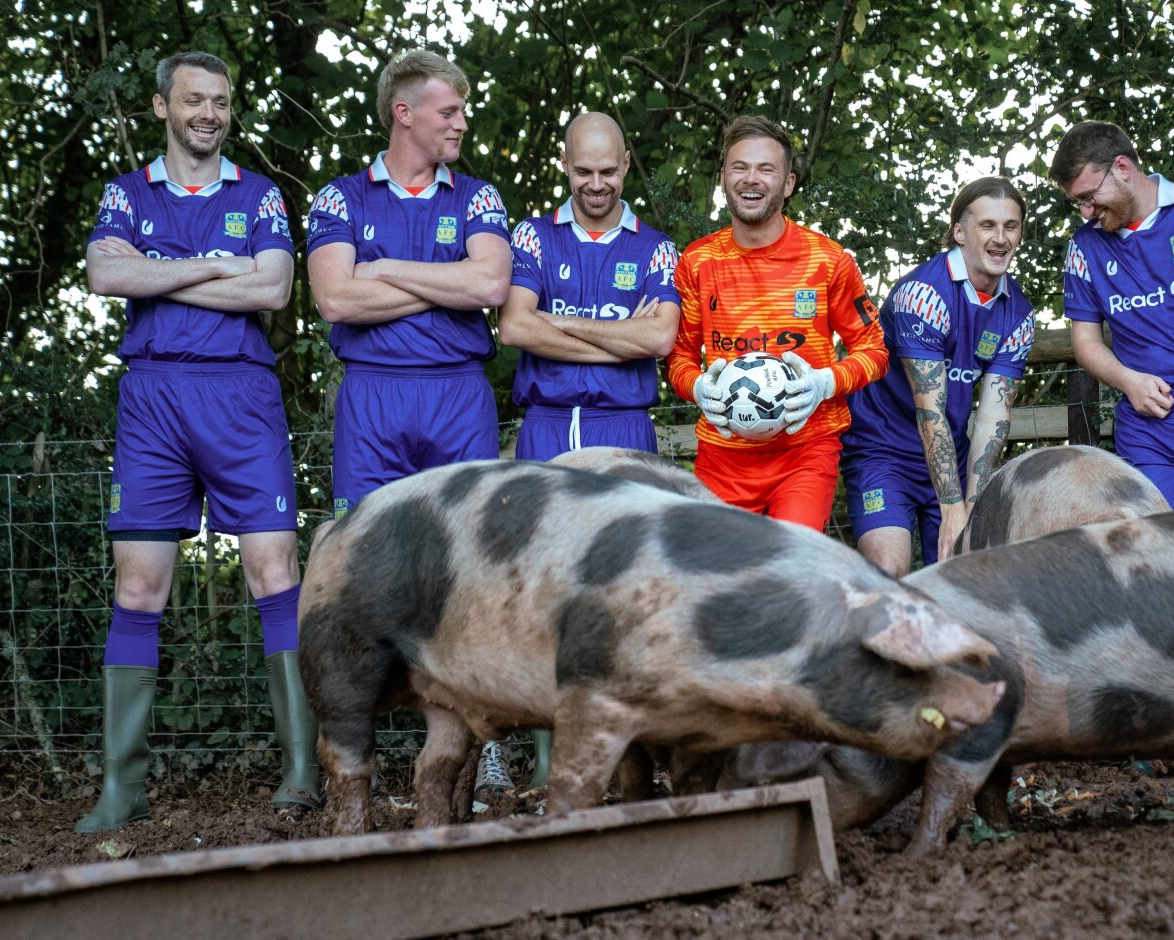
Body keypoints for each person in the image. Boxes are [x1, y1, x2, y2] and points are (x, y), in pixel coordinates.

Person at [81, 51, 315, 830]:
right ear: (161, 107)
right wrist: (214, 267)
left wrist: (157, 268)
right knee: (138, 588)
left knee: (274, 572)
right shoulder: (126, 193)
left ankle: (300, 769)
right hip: (151, 399)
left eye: (219, 101)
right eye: (193, 100)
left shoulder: (260, 194)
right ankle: (122, 786)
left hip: (241, 396)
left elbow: (274, 288)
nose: (208, 113)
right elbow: (105, 277)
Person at [485, 111, 682, 796]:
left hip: (627, 425)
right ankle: (548, 767)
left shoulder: (657, 249)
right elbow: (514, 325)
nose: (596, 184)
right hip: (548, 424)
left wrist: (557, 325)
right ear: (564, 167)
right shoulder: (533, 237)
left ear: (626, 164)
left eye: (608, 171)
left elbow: (659, 342)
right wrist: (612, 335)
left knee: (633, 589)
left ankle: (632, 763)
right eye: (582, 171)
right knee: (547, 587)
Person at [305, 49, 510, 522]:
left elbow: (490, 285)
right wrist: (447, 283)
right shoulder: (340, 197)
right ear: (405, 113)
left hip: (457, 392)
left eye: (462, 112)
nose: (461, 123)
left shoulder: (477, 196)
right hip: (372, 394)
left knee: (465, 557)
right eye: (448, 112)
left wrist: (381, 268)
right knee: (366, 557)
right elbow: (336, 299)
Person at [665, 115, 888, 531]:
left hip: (806, 450)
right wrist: (697, 387)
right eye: (740, 167)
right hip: (723, 454)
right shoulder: (697, 262)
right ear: (723, 178)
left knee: (795, 570)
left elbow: (875, 350)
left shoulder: (828, 261)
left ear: (787, 183)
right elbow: (678, 356)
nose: (752, 179)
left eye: (766, 169)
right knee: (714, 578)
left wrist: (826, 382)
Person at [1050, 122, 1174, 511]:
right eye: (1077, 202)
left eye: (1090, 196)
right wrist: (1128, 381)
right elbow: (1086, 342)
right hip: (1146, 426)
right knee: (1162, 545)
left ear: (1122, 168)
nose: (1086, 212)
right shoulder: (1084, 246)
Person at [841, 178, 1035, 576]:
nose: (1000, 238)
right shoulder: (924, 295)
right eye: (987, 225)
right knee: (888, 571)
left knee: (962, 573)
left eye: (1010, 226)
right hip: (883, 449)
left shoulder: (1019, 315)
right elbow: (929, 413)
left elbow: (991, 419)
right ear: (960, 232)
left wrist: (972, 507)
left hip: (953, 456)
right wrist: (951, 510)